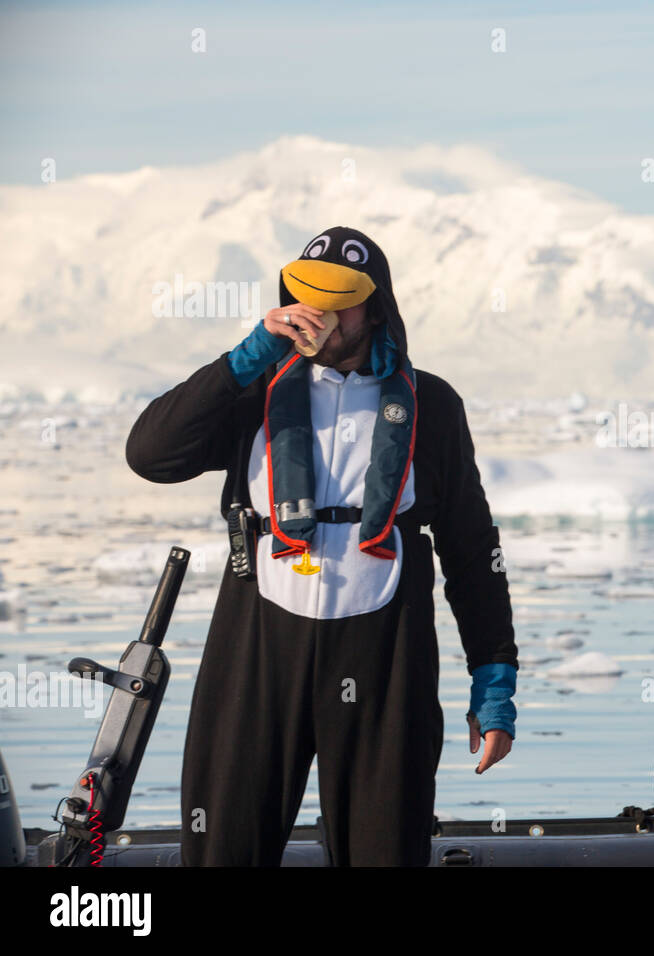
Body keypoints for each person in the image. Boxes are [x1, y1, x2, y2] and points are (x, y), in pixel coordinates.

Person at [126, 226, 517, 866]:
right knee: (223, 845)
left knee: (385, 851)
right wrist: (251, 353)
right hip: (258, 645)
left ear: (378, 307)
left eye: (342, 300)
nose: (324, 315)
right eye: (310, 296)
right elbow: (149, 454)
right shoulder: (254, 390)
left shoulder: (433, 406)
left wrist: (493, 683)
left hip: (386, 650)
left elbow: (473, 553)